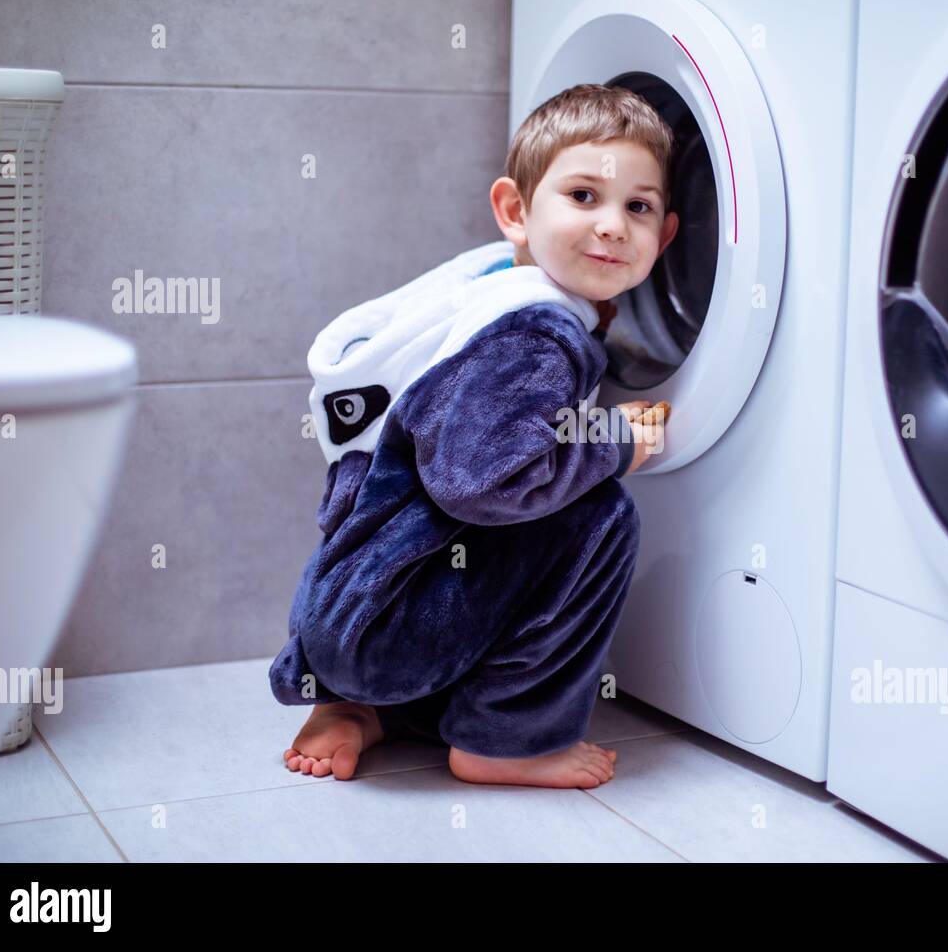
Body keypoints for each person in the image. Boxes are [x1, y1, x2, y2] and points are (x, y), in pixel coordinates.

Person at [269, 84, 680, 789]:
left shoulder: (488, 294)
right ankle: (508, 739)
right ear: (517, 212)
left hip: (344, 622)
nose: (613, 225)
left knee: (447, 533)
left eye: (637, 207)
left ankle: (357, 707)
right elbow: (481, 482)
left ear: (664, 235)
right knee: (599, 513)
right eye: (584, 196)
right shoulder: (536, 333)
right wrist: (612, 443)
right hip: (391, 633)